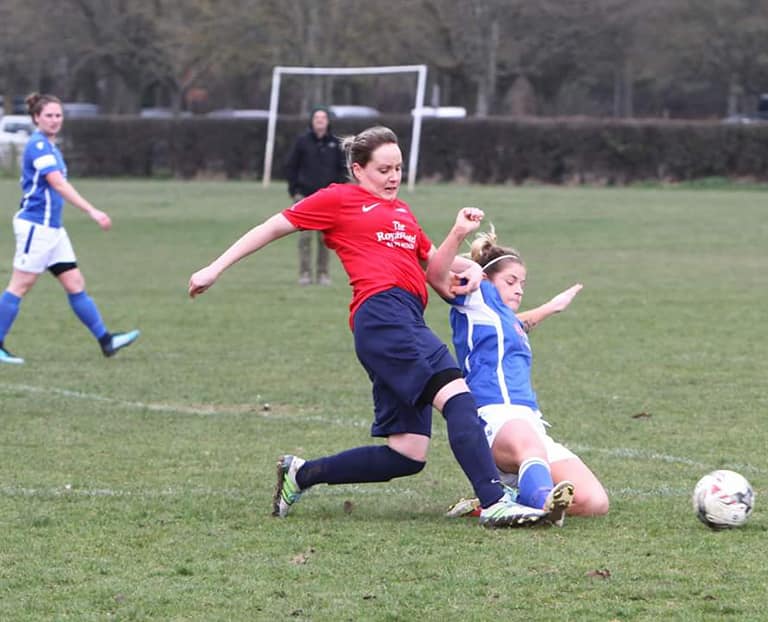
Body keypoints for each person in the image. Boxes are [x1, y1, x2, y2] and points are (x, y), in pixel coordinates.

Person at [188, 126, 549, 527]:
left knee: (407, 455)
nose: (393, 177)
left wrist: (475, 266)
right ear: (358, 170)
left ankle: (300, 474)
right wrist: (214, 268)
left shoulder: (403, 213)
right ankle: (495, 501)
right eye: (383, 169)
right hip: (383, 316)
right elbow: (272, 227)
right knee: (459, 400)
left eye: (398, 168)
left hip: (403, 319)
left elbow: (435, 266)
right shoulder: (338, 199)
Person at [444, 226, 609, 525]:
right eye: (511, 281)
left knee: (594, 501)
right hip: (493, 417)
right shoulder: (475, 297)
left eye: (523, 283)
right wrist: (470, 265)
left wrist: (551, 307)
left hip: (529, 422)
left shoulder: (505, 321)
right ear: (487, 281)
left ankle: (502, 500)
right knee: (529, 444)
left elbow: (517, 325)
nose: (519, 288)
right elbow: (436, 265)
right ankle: (540, 500)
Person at [0, 93, 139, 365]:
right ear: (36, 118)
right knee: (20, 284)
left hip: (53, 230)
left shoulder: (52, 147)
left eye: (58, 115)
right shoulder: (38, 146)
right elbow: (58, 184)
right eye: (48, 115)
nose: (54, 120)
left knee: (75, 283)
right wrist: (92, 211)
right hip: (35, 227)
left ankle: (106, 341)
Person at [285, 107, 346, 286]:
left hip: (328, 199)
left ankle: (323, 274)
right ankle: (304, 274)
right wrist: (294, 190)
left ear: (328, 121)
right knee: (304, 239)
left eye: (323, 117)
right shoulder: (302, 141)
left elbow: (343, 169)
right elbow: (291, 166)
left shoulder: (335, 143)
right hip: (305, 196)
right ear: (312, 121)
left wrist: (339, 190)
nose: (320, 120)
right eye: (317, 117)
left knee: (325, 239)